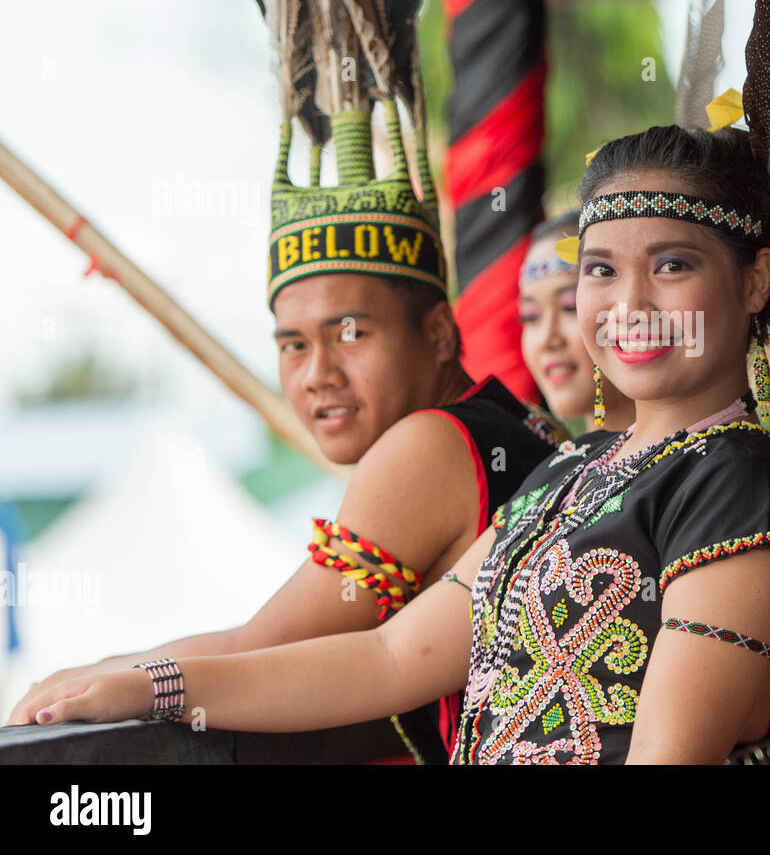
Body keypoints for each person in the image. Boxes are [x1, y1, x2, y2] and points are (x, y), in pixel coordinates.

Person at [5, 99, 567, 768]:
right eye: (294, 345)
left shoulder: (428, 442)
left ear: (441, 332)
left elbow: (269, 647)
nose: (318, 373)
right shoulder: (522, 420)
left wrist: (95, 680)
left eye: (351, 333)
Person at [518, 211, 634, 433]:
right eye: (530, 316)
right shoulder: (558, 466)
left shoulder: (707, 460)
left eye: (570, 307)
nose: (547, 340)